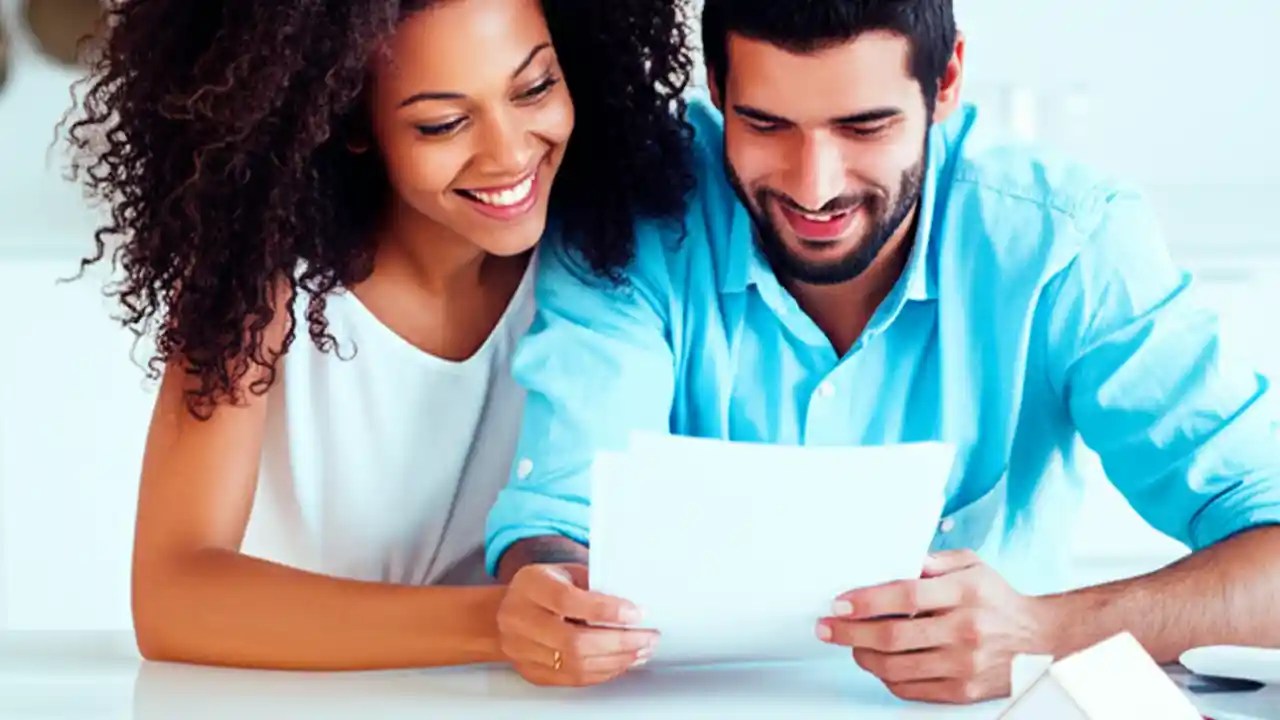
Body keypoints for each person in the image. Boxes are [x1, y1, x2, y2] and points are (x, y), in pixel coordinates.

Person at [485, 0, 1280, 701]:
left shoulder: (1065, 244)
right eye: (766, 125)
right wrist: (549, 589)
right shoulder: (634, 214)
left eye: (864, 127)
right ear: (718, 88)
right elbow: (559, 520)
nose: (814, 187)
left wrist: (1045, 630)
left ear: (946, 81)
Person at [65, 0, 692, 674]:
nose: (511, 153)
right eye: (443, 123)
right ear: (353, 123)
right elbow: (171, 599)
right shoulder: (261, 289)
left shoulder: (604, 266)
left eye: (534, 88)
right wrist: (497, 622)